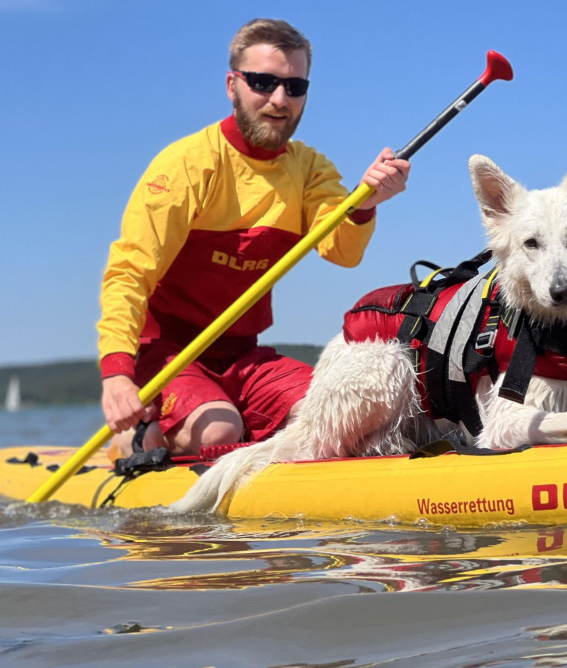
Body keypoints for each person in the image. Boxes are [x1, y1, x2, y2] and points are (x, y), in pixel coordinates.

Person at [98, 18, 410, 459]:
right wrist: (116, 374)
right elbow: (129, 274)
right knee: (218, 431)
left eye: (294, 86)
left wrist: (365, 202)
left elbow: (342, 251)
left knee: (338, 417)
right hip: (167, 354)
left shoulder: (309, 169)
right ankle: (141, 435)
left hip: (243, 354)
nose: (279, 100)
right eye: (263, 82)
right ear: (232, 85)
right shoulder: (186, 165)